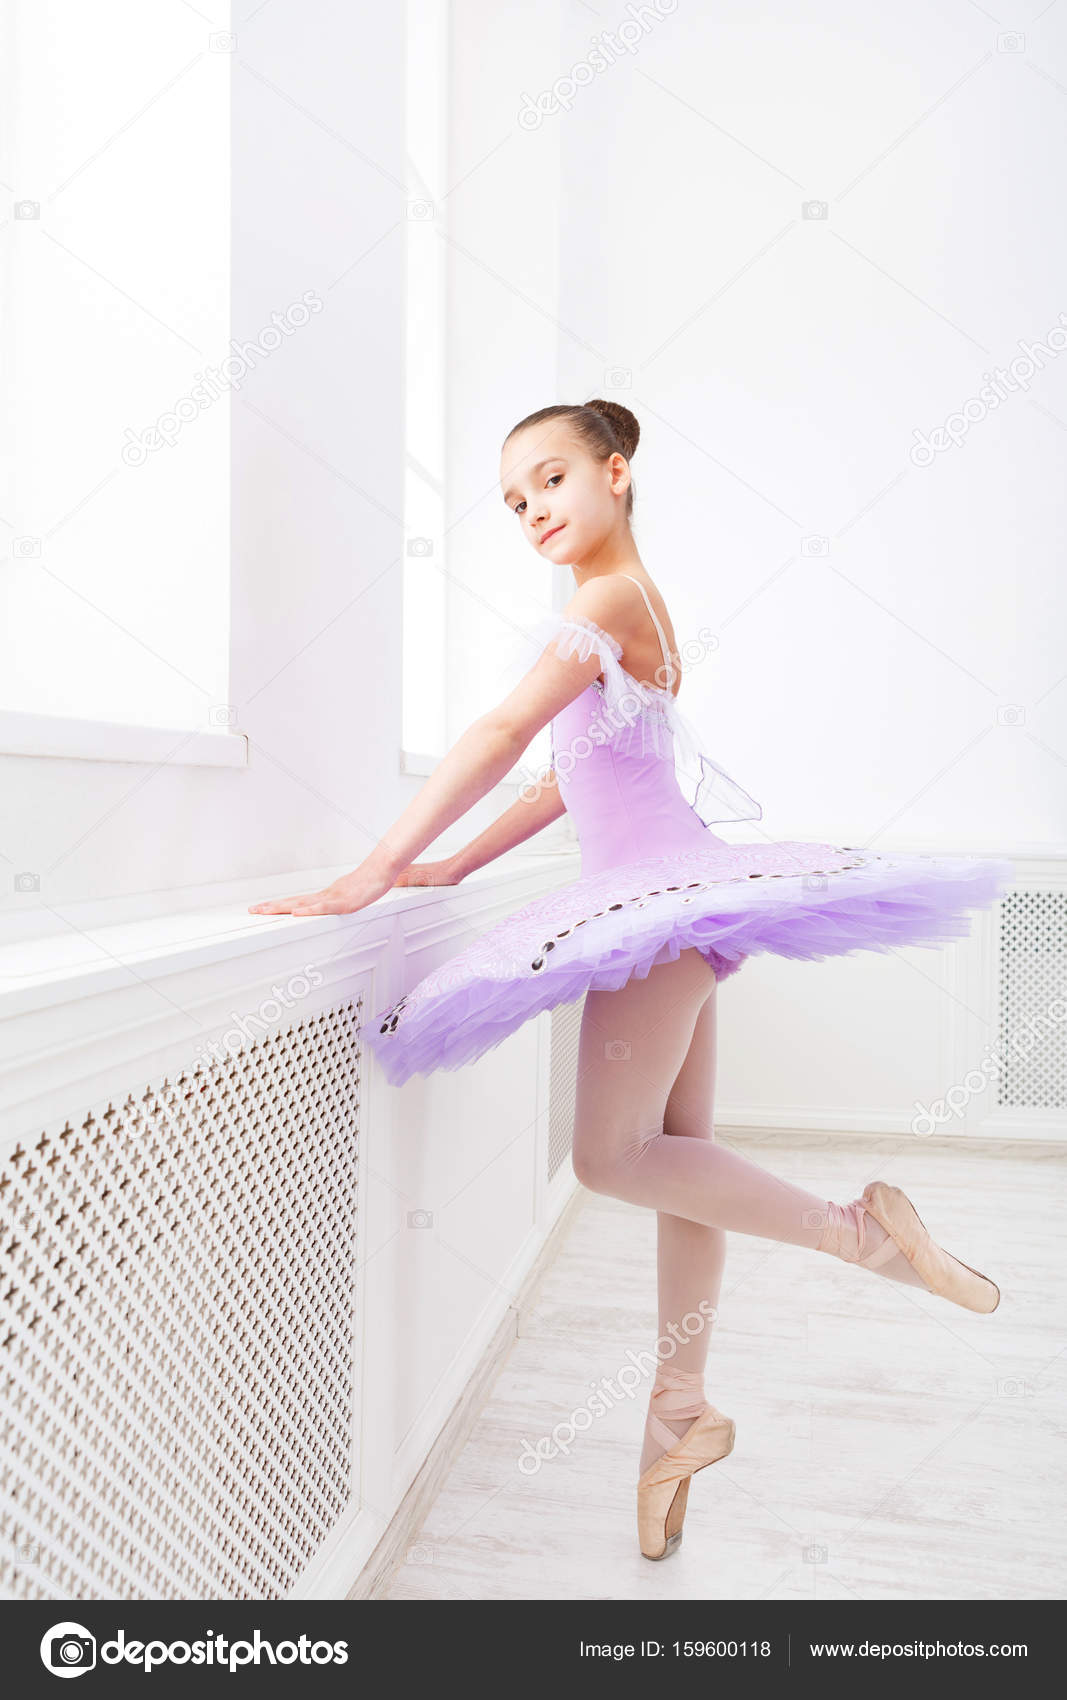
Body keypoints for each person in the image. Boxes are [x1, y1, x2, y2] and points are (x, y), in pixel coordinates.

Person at [249, 398, 1014, 1562]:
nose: (531, 511)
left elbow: (505, 735)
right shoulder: (619, 614)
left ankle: (859, 1232)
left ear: (615, 472)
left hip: (650, 913)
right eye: (512, 501)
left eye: (548, 480)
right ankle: (677, 1412)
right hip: (665, 902)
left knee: (611, 1155)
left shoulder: (606, 600)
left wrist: (375, 868)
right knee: (676, 1161)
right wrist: (451, 862)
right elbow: (561, 782)